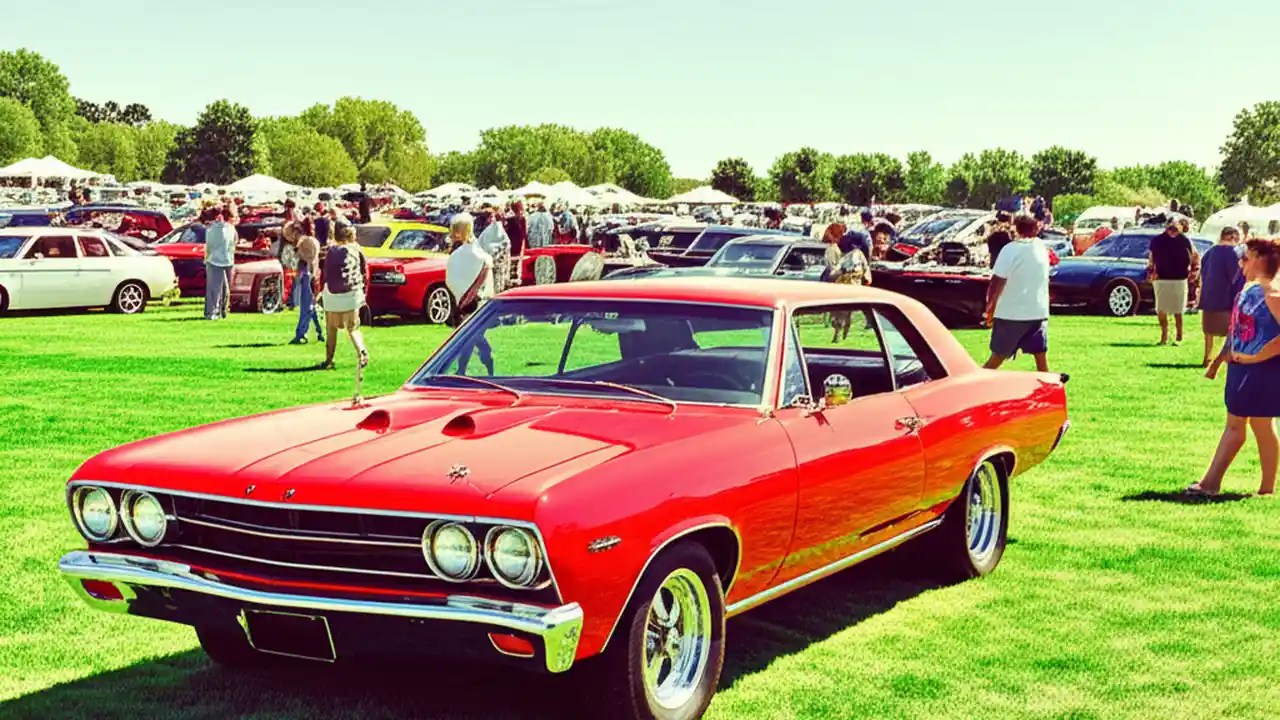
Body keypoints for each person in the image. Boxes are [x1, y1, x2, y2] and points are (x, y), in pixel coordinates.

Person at [1190, 238, 1280, 498]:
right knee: (1261, 425)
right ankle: (1266, 490)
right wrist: (1218, 361)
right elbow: (1236, 332)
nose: (1241, 264)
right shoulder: (1249, 291)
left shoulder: (1273, 295)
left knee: (1237, 425)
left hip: (1261, 372)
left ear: (1259, 259)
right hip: (1241, 369)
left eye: (1246, 258)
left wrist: (1259, 356)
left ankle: (1210, 483)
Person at [983, 215, 1051, 371]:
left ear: (1016, 229)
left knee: (995, 359)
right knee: (1041, 360)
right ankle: (1048, 390)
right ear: (1035, 229)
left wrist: (990, 309)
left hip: (1011, 314)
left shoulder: (1010, 250)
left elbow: (996, 282)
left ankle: (975, 389)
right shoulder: (1041, 248)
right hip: (1038, 313)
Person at [443, 213, 495, 375]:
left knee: (467, 339)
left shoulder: (454, 256)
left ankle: (463, 369)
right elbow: (488, 288)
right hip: (475, 307)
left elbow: (449, 282)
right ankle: (482, 366)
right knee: (472, 339)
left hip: (461, 307)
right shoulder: (483, 258)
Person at [320, 223, 369, 371]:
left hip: (333, 295)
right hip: (352, 293)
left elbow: (325, 274)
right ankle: (362, 352)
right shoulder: (356, 249)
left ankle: (329, 360)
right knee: (353, 328)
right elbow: (364, 270)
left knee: (331, 330)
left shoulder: (332, 251)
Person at [1148, 220, 1200, 345]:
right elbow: (1151, 258)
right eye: (1171, 227)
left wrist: (1193, 273)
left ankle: (1179, 336)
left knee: (1178, 309)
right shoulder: (1157, 241)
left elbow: (1195, 257)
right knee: (1161, 309)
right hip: (1161, 278)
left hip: (1180, 279)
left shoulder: (1185, 241)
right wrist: (1151, 272)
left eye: (1176, 227)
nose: (1173, 230)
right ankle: (1164, 336)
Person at [1199, 227, 1245, 366]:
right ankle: (1228, 357)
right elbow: (1237, 276)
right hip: (1227, 297)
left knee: (1209, 330)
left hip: (1209, 296)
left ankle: (1207, 356)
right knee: (1231, 330)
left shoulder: (1210, 252)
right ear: (1233, 237)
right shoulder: (1234, 253)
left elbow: (1203, 272)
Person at [287, 222, 324, 345]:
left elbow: (308, 258)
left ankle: (301, 334)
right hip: (308, 275)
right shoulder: (310, 241)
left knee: (306, 307)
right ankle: (320, 331)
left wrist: (298, 251)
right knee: (310, 307)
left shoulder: (308, 242)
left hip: (308, 275)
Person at [203, 207, 237, 320]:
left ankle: (212, 311)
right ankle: (222, 311)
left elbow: (209, 244)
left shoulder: (212, 228)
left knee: (214, 288)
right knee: (225, 288)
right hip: (227, 260)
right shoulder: (231, 228)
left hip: (215, 260)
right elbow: (234, 242)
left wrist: (207, 257)